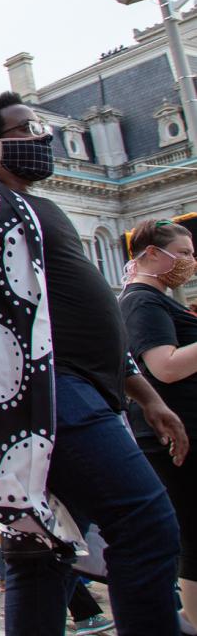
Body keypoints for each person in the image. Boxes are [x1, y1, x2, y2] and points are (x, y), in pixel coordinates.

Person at [0, 93, 187, 635]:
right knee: (148, 523)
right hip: (43, 394)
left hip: (85, 388)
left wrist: (148, 397)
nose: (44, 137)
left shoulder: (43, 208)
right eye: (29, 128)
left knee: (38, 557)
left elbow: (80, 317)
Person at [121, 218, 197, 631]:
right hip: (174, 435)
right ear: (151, 254)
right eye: (183, 253)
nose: (191, 261)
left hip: (180, 429)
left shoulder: (160, 299)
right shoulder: (143, 302)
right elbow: (163, 367)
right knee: (193, 534)